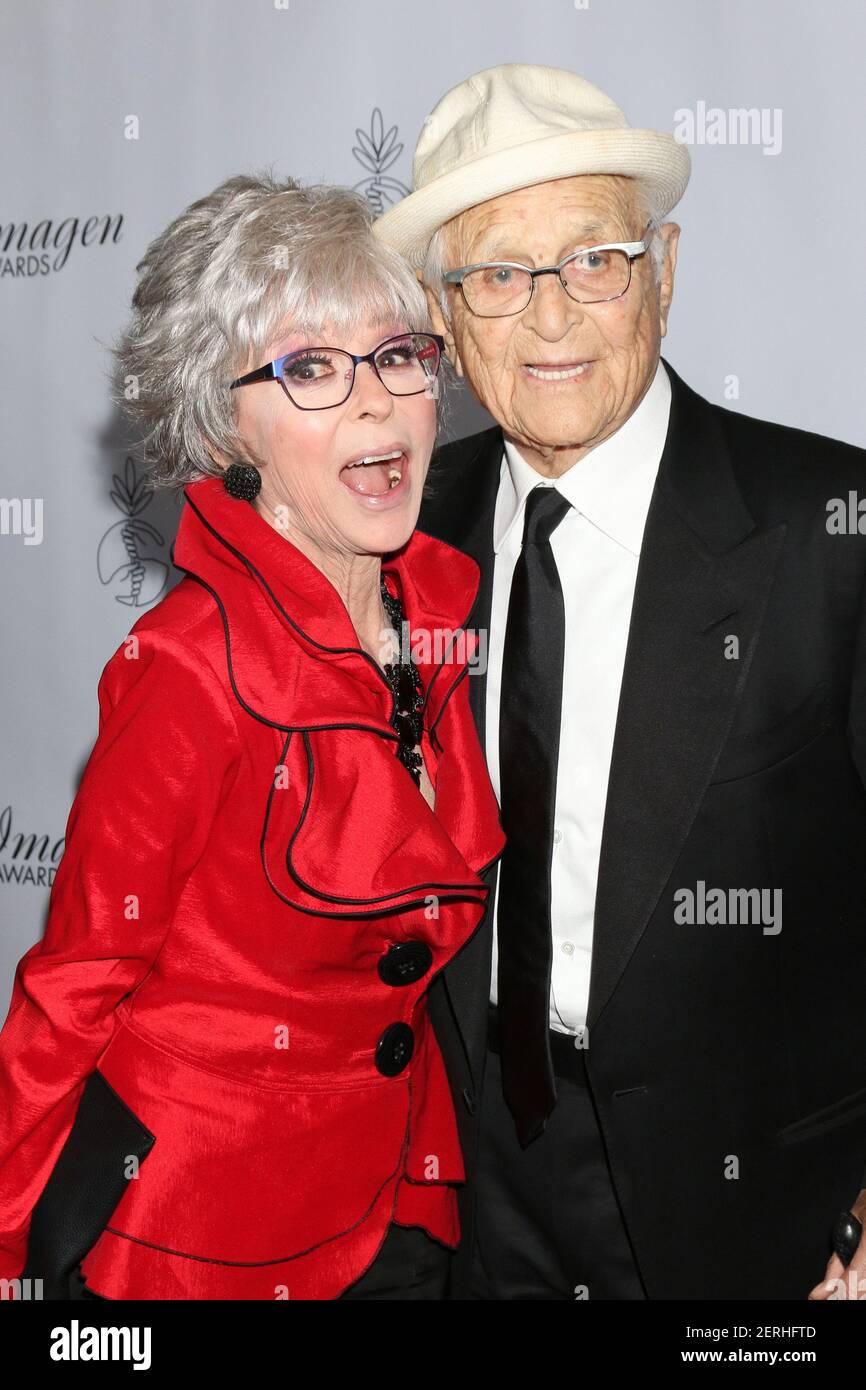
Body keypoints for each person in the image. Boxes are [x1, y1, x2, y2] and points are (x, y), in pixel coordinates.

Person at [374, 63, 866, 1300]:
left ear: (663, 266)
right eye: (496, 273)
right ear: (441, 314)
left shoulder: (824, 529)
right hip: (472, 1178)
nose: (549, 320)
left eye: (592, 257)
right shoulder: (395, 539)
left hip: (766, 1213)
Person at [0, 173, 505, 1300]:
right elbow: (75, 981)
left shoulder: (441, 606)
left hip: (399, 1208)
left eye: (396, 355)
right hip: (194, 1234)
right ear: (228, 423)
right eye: (310, 369)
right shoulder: (184, 668)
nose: (375, 403)